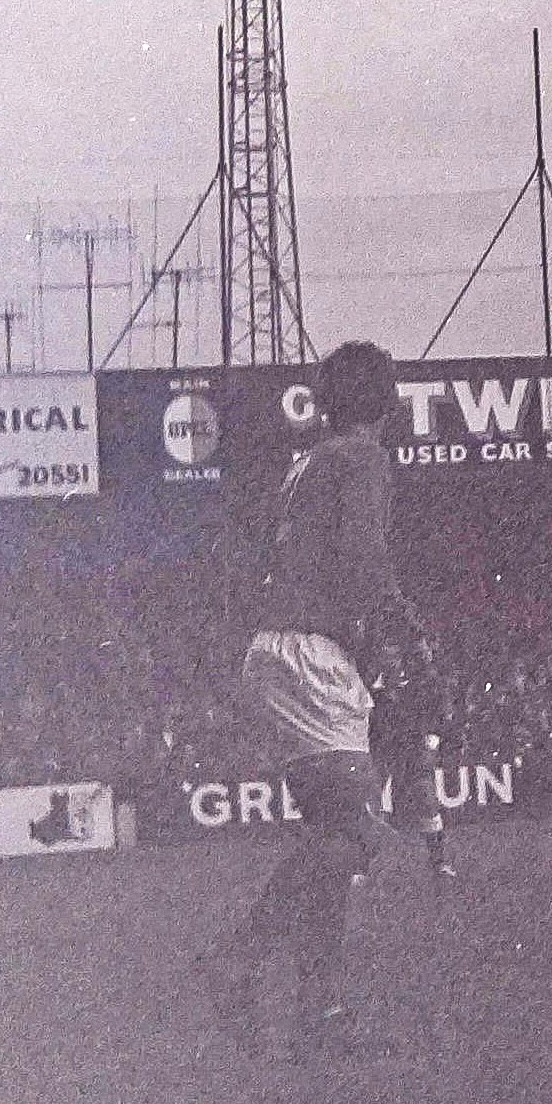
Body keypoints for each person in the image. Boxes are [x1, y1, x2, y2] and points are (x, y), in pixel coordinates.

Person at [202, 340, 406, 1061]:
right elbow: (362, 558)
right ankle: (241, 955)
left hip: (273, 648)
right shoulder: (363, 457)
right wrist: (385, 633)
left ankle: (321, 1008)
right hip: (313, 650)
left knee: (332, 834)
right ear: (385, 403)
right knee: (356, 832)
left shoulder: (307, 462)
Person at [368, 631, 455, 879]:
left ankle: (439, 862)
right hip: (379, 749)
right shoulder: (371, 689)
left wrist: (432, 738)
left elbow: (437, 712)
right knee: (364, 805)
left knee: (426, 799)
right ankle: (358, 866)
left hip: (411, 749)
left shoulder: (417, 687)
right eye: (385, 655)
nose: (391, 661)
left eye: (395, 655)